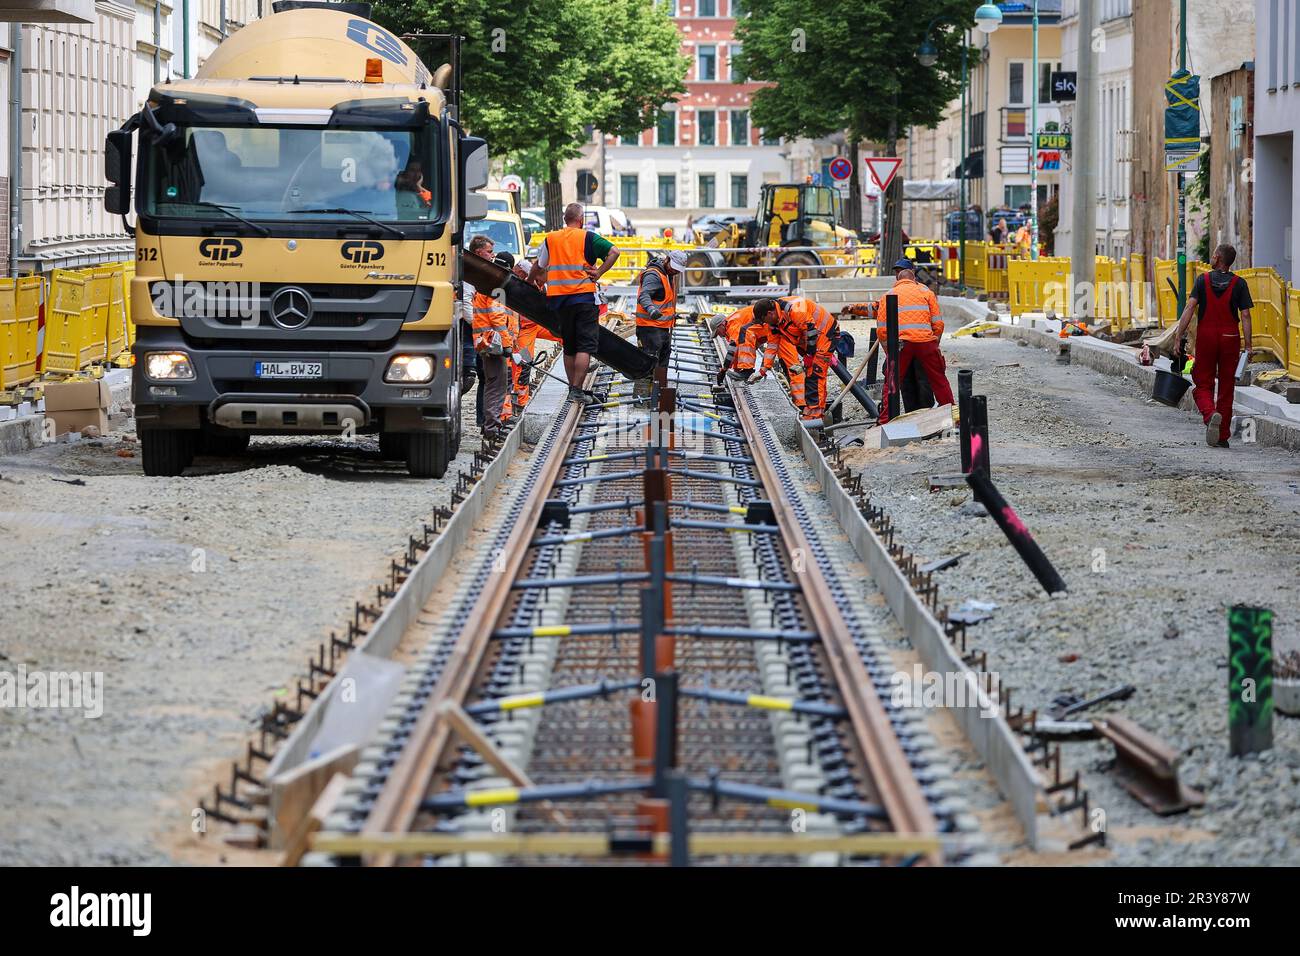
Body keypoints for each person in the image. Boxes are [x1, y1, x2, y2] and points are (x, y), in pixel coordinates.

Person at [528, 202, 621, 405]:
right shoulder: (587, 237)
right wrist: (599, 272)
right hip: (583, 298)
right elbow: (615, 251)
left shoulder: (551, 239)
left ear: (564, 219)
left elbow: (539, 265)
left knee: (569, 346)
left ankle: (573, 389)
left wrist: (527, 283)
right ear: (581, 220)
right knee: (585, 346)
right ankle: (577, 389)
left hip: (559, 301)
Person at [844, 258, 954, 425]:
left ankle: (885, 421)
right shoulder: (926, 293)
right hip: (926, 343)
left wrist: (891, 353)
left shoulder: (889, 295)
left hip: (902, 345)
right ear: (913, 276)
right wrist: (933, 345)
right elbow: (938, 323)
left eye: (898, 272)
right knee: (939, 380)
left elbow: (882, 329)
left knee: (891, 384)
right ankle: (952, 415)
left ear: (899, 277)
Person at [1172, 243, 1254, 448]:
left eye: (1213, 255)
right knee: (1227, 386)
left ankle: (1210, 415)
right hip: (1230, 337)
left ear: (1217, 257)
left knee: (1202, 383)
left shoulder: (1203, 280)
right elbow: (1245, 315)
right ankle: (1222, 436)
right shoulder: (1240, 284)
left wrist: (1178, 335)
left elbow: (1189, 308)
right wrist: (1249, 345)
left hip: (1207, 336)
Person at [753, 295, 839, 423]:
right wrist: (763, 370)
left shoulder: (794, 310)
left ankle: (815, 417)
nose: (765, 324)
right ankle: (812, 412)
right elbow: (772, 347)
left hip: (825, 334)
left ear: (770, 313)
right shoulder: (775, 323)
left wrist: (810, 356)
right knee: (811, 375)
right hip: (811, 341)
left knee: (815, 374)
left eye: (765, 320)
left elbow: (810, 330)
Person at [467, 236, 515, 436]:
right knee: (496, 386)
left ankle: (490, 425)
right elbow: (497, 318)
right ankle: (492, 428)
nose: (492, 255)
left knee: (491, 384)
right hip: (493, 343)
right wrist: (508, 344)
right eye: (489, 251)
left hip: (485, 342)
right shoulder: (493, 283)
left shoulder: (483, 281)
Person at [634, 250, 687, 370]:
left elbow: (663, 301)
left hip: (661, 326)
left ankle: (660, 384)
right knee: (649, 361)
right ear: (667, 260)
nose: (675, 271)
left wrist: (672, 315)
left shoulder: (668, 274)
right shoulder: (654, 275)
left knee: (664, 356)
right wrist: (651, 309)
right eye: (674, 268)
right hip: (649, 327)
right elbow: (644, 295)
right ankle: (648, 385)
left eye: (678, 269)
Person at [708, 307, 769, 385]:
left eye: (718, 332)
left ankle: (747, 371)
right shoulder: (731, 322)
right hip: (764, 324)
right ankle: (745, 371)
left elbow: (733, 349)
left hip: (766, 322)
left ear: (722, 325)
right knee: (743, 341)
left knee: (745, 337)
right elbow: (737, 350)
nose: (719, 335)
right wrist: (737, 369)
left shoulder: (733, 325)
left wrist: (724, 370)